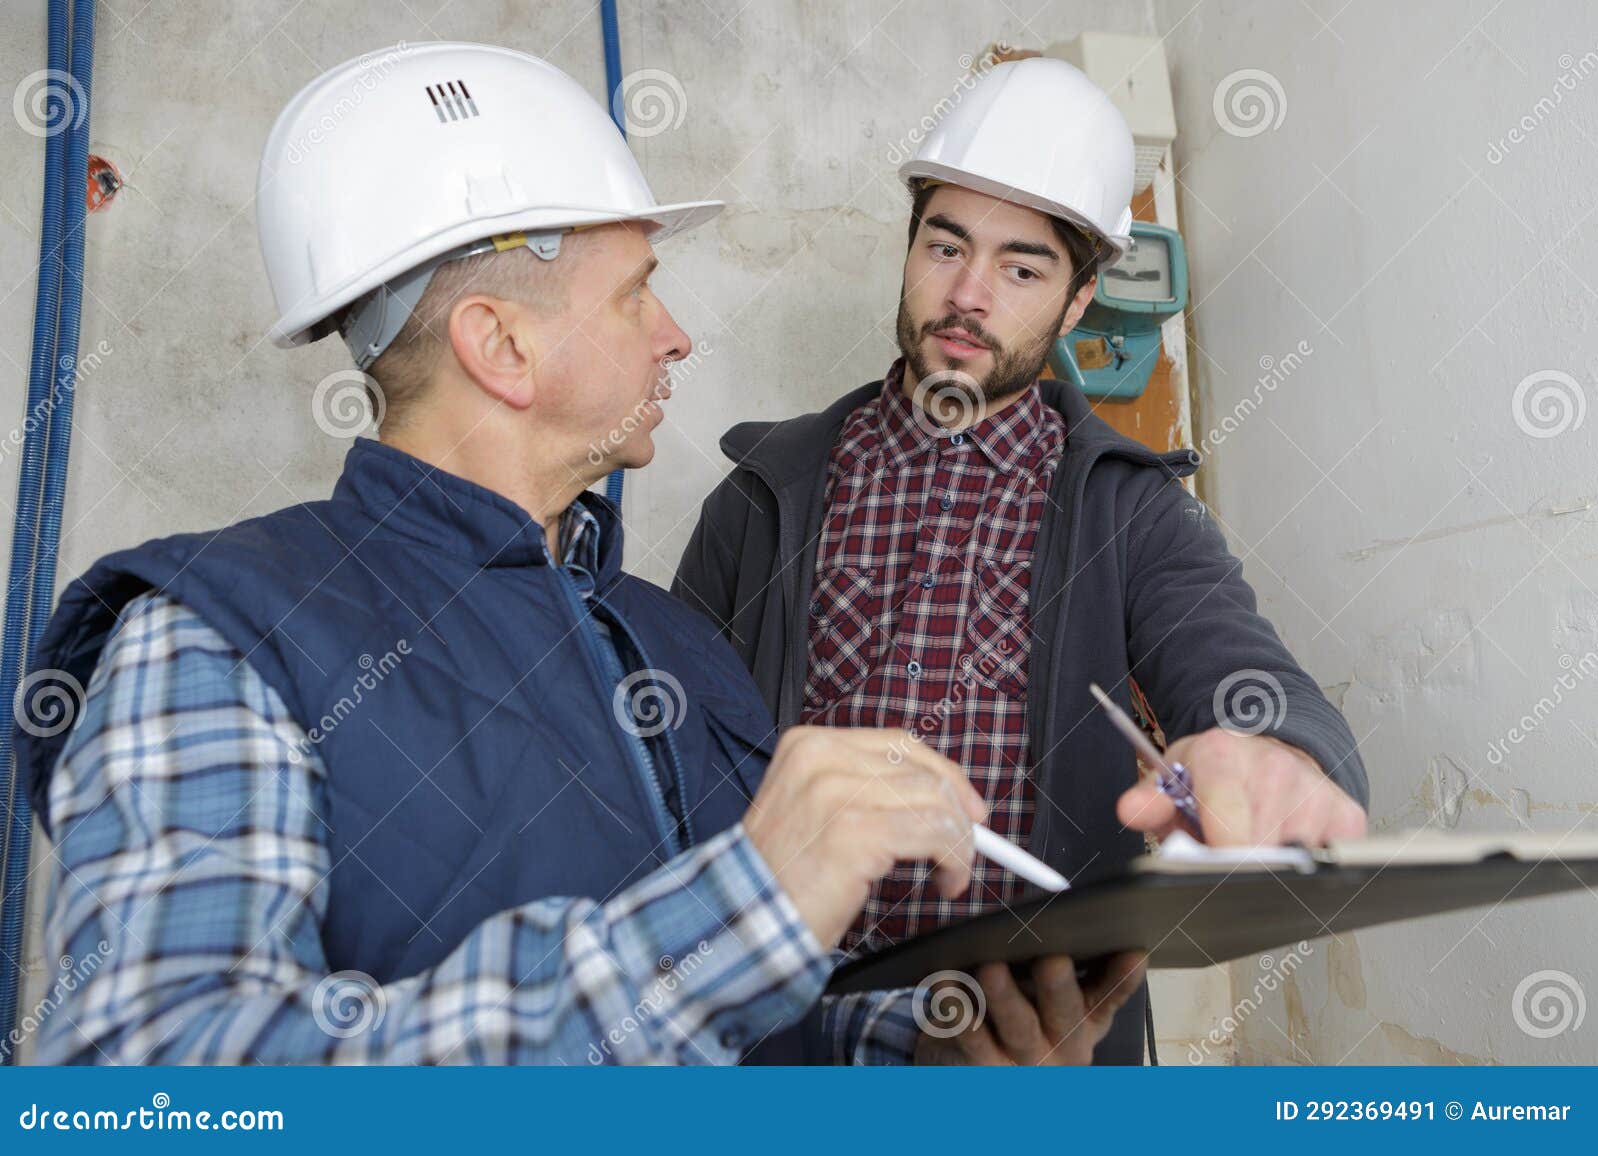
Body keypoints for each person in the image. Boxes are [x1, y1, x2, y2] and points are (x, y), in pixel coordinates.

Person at [14, 43, 1141, 1067]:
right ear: (501, 345)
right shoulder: (219, 639)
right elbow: (151, 1076)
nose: (675, 334)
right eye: (636, 291)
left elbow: (756, 1008)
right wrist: (744, 905)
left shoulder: (672, 643)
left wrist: (928, 1049)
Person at [673, 56, 1369, 1064]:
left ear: (1079, 298)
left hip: (1031, 1049)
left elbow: (1243, 678)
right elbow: (666, 759)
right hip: (781, 1040)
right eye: (944, 245)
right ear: (909, 244)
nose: (966, 294)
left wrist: (1279, 755)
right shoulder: (761, 494)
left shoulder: (1133, 515)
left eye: (1021, 267)